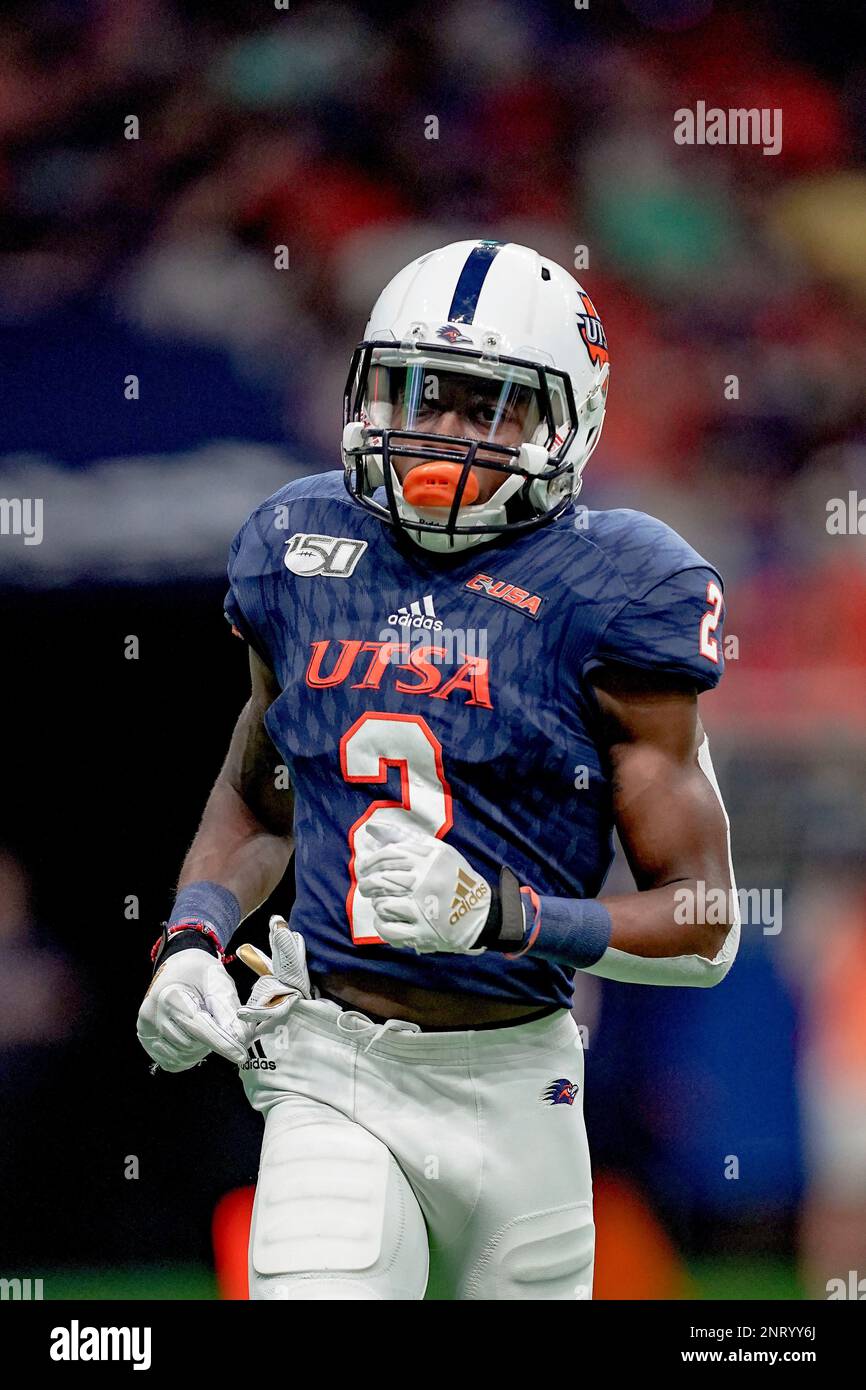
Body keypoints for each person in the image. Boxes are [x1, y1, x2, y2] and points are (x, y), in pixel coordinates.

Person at [137, 239, 740, 1301]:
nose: (438, 432)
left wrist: (503, 914)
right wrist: (190, 937)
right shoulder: (297, 541)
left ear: (570, 423)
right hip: (333, 1065)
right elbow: (259, 794)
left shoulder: (614, 585)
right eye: (411, 393)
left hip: (519, 1078)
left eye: (484, 405)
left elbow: (702, 924)